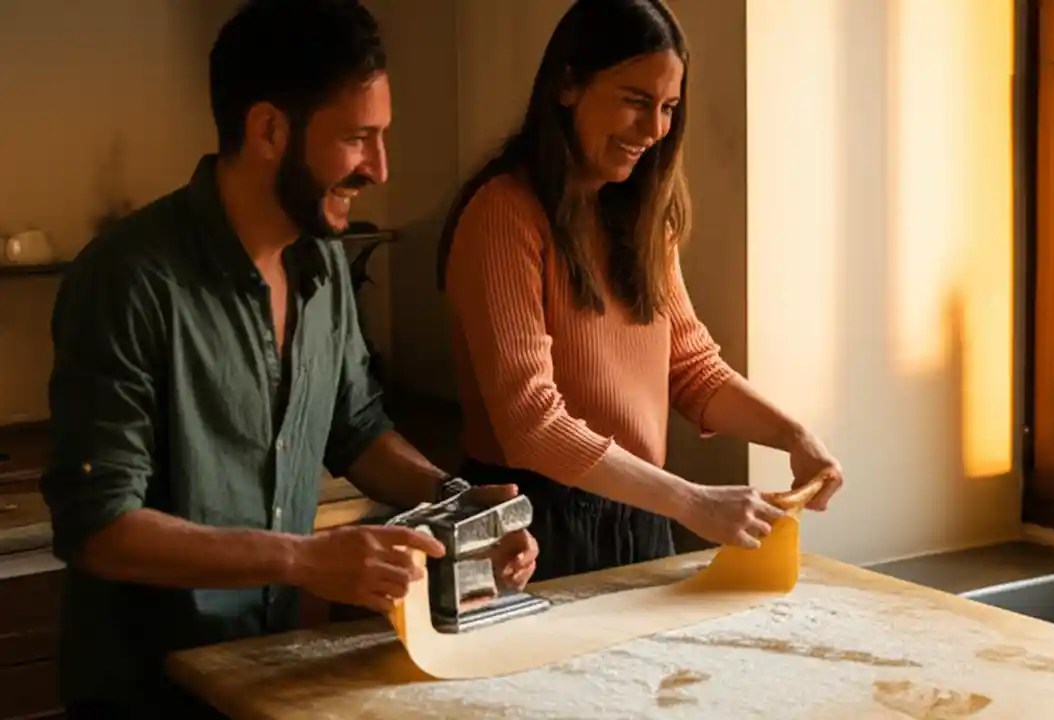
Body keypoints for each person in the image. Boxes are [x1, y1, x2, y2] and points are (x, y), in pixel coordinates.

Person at [40, 1, 536, 716]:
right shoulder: (129, 279)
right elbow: (98, 528)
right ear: (269, 130)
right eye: (359, 138)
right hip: (145, 693)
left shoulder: (325, 264)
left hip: (268, 681)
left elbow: (355, 428)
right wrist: (304, 559)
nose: (380, 168)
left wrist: (457, 504)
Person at [438, 0, 844, 582]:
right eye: (635, 101)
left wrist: (794, 435)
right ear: (568, 85)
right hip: (533, 530)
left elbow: (692, 368)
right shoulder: (504, 214)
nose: (655, 130)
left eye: (668, 108)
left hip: (643, 517)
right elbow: (530, 423)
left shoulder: (644, 216)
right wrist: (692, 502)